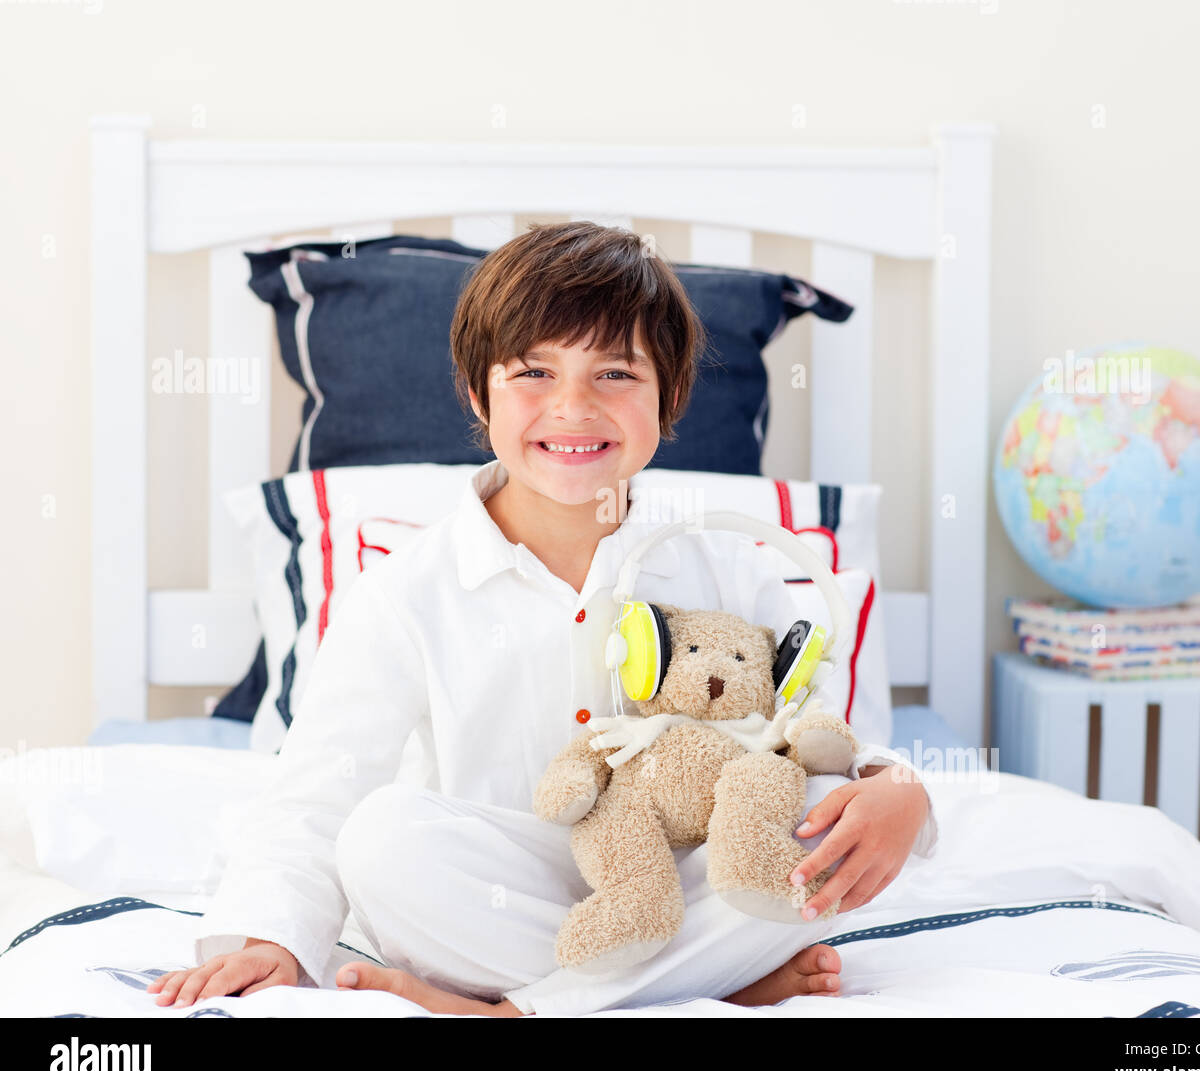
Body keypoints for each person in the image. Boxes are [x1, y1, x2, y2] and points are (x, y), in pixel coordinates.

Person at [148, 221, 938, 1017]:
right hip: (495, 894)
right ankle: (690, 984)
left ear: (670, 395)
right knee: (377, 835)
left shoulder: (735, 566)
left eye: (615, 373)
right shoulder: (401, 594)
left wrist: (898, 789)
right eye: (533, 372)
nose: (573, 407)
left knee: (810, 814)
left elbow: (822, 736)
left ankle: (526, 1009)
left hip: (684, 882)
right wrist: (269, 935)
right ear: (474, 391)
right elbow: (314, 796)